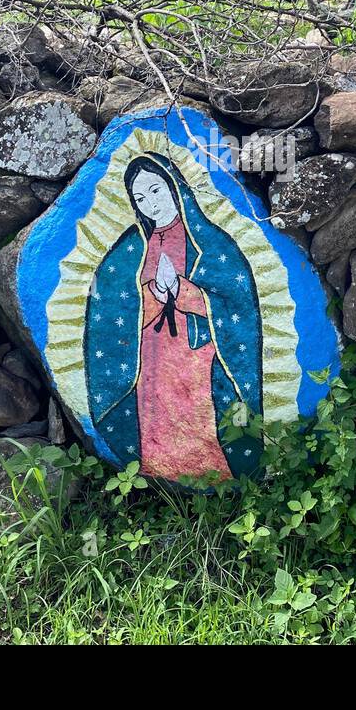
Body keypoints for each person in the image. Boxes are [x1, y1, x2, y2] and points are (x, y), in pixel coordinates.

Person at [83, 153, 263, 480]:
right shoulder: (133, 246)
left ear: (174, 187)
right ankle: (163, 475)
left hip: (196, 352)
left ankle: (211, 477)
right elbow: (110, 301)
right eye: (140, 198)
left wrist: (184, 292)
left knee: (195, 414)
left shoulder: (209, 241)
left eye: (155, 191)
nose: (151, 204)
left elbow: (235, 298)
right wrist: (152, 295)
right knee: (157, 417)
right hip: (151, 353)